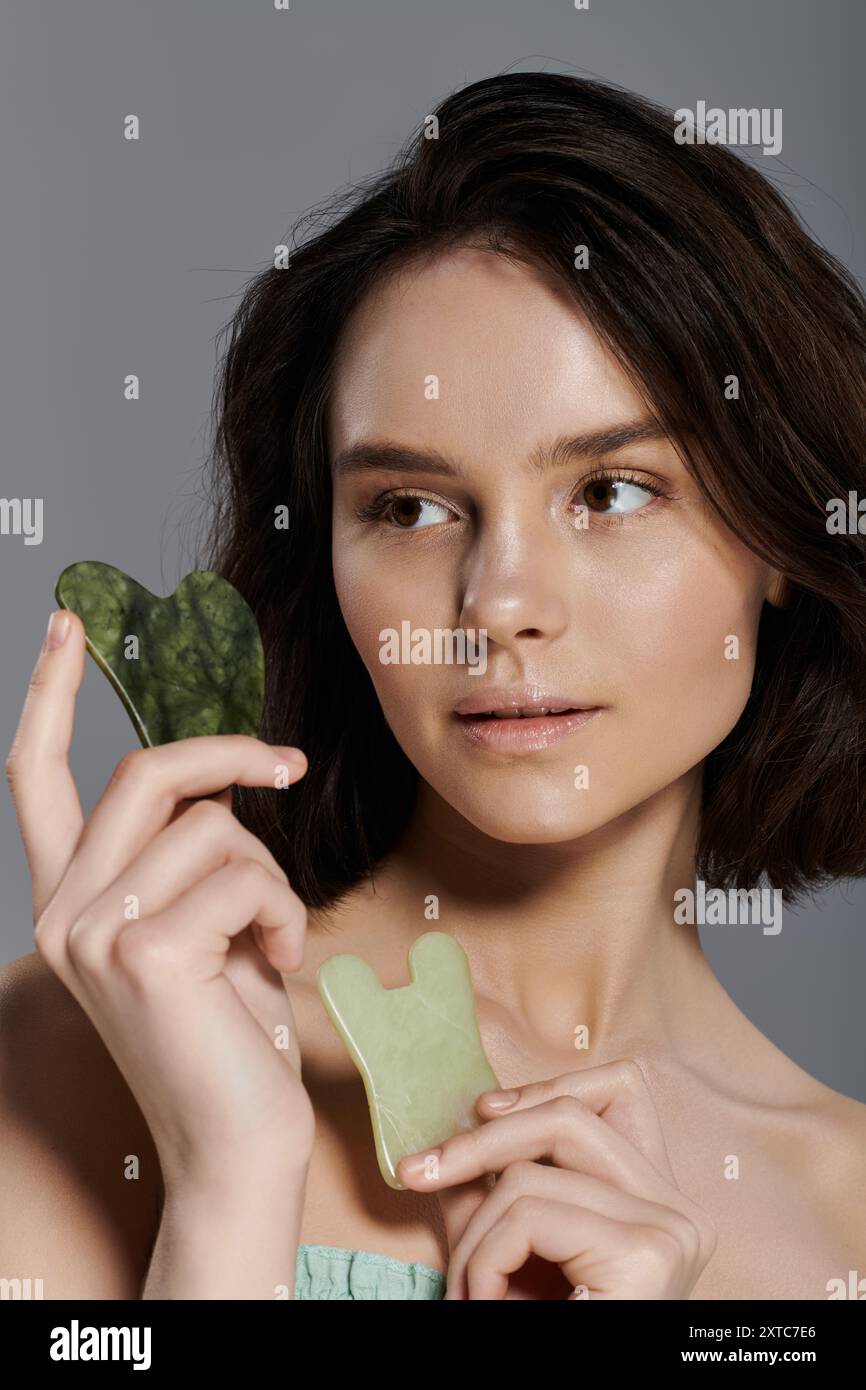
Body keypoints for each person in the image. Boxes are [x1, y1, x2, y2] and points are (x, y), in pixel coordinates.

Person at [2, 72, 865, 1301]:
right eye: (409, 507)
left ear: (778, 539)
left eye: (611, 490)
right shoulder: (87, 1052)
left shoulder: (846, 1212)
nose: (497, 601)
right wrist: (229, 1175)